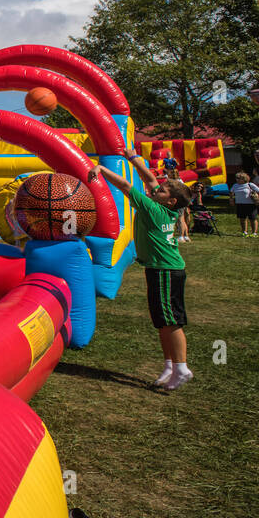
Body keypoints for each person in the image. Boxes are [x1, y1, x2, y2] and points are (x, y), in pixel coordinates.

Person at [90, 152, 194, 391]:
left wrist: (102, 170)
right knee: (161, 320)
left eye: (163, 190)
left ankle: (181, 367)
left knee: (172, 320)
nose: (157, 188)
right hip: (161, 269)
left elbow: (127, 186)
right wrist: (133, 157)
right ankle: (169, 365)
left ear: (171, 202)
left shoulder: (152, 209)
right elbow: (149, 180)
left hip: (165, 270)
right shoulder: (165, 206)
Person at [231, 171, 259, 237]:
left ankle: (254, 233)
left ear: (244, 179)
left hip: (250, 204)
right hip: (240, 204)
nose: (237, 179)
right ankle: (244, 232)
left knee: (253, 219)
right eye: (236, 178)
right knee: (242, 219)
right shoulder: (235, 185)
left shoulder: (250, 184)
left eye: (239, 178)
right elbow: (231, 192)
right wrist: (231, 199)